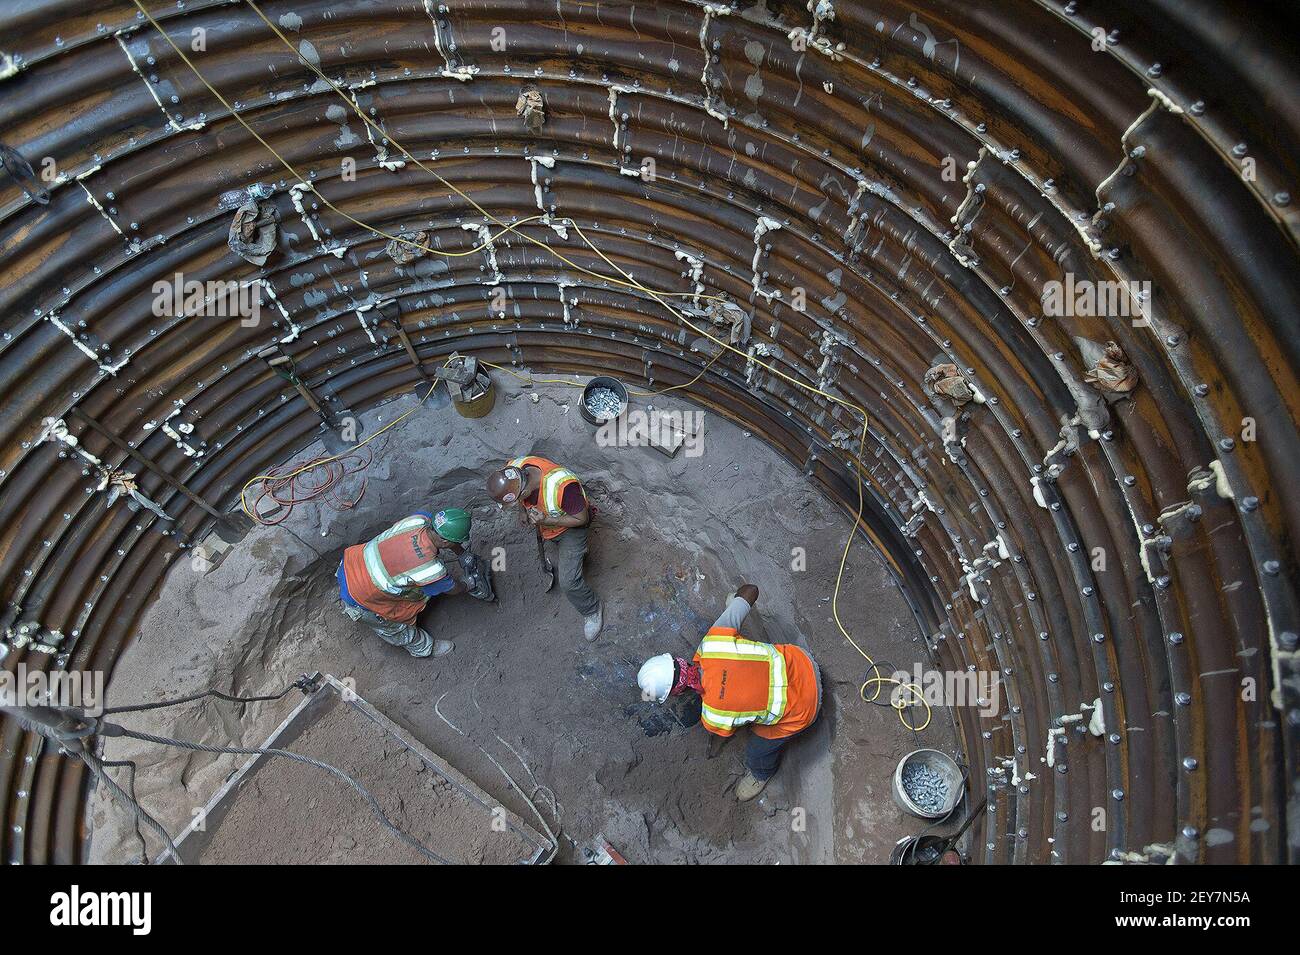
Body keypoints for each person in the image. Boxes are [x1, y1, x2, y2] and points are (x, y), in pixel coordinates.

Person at [636, 583, 821, 801]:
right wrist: (735, 606)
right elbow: (751, 590)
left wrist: (713, 745)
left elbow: (723, 735)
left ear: (676, 693)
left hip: (806, 708)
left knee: (758, 748)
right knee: (748, 652)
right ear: (677, 660)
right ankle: (737, 623)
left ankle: (760, 774)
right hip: (802, 661)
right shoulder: (714, 640)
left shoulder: (713, 716)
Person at [337, 508, 493, 657]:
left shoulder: (419, 519)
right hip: (358, 597)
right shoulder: (429, 570)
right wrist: (469, 583)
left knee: (413, 586)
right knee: (395, 627)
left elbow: (445, 537)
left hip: (351, 562)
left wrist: (462, 554)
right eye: (456, 543)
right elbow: (452, 588)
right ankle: (424, 648)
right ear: (445, 542)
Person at [486, 454, 602, 640]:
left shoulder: (563, 487)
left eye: (518, 501)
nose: (519, 503)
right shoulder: (514, 469)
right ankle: (577, 556)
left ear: (523, 492)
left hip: (571, 528)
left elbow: (582, 519)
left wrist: (546, 519)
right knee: (565, 555)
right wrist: (522, 510)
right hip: (549, 526)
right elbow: (520, 496)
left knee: (569, 582)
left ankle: (592, 609)